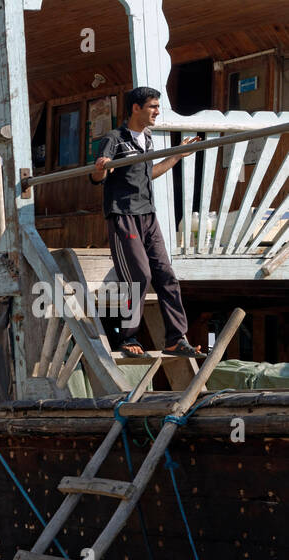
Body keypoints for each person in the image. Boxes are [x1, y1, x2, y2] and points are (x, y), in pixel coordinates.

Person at [90, 87, 204, 358]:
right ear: (136, 108)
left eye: (157, 106)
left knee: (166, 275)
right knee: (139, 276)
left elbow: (147, 174)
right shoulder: (114, 139)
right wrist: (102, 169)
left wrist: (176, 156)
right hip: (123, 215)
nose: (157, 111)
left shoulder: (147, 139)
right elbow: (97, 178)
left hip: (148, 216)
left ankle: (176, 339)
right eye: (152, 106)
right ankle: (128, 337)